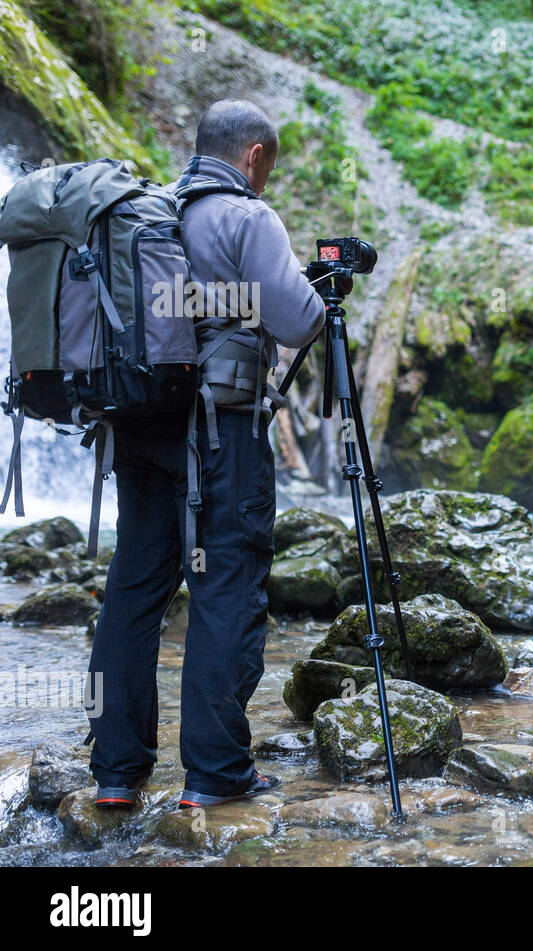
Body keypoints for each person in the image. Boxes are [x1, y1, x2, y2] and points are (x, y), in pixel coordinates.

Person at [87, 100, 325, 809]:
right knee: (225, 585)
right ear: (254, 157)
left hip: (138, 425)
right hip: (221, 431)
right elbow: (297, 318)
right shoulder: (246, 216)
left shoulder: (148, 213)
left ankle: (116, 774)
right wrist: (323, 291)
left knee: (134, 589)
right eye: (268, 168)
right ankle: (214, 773)